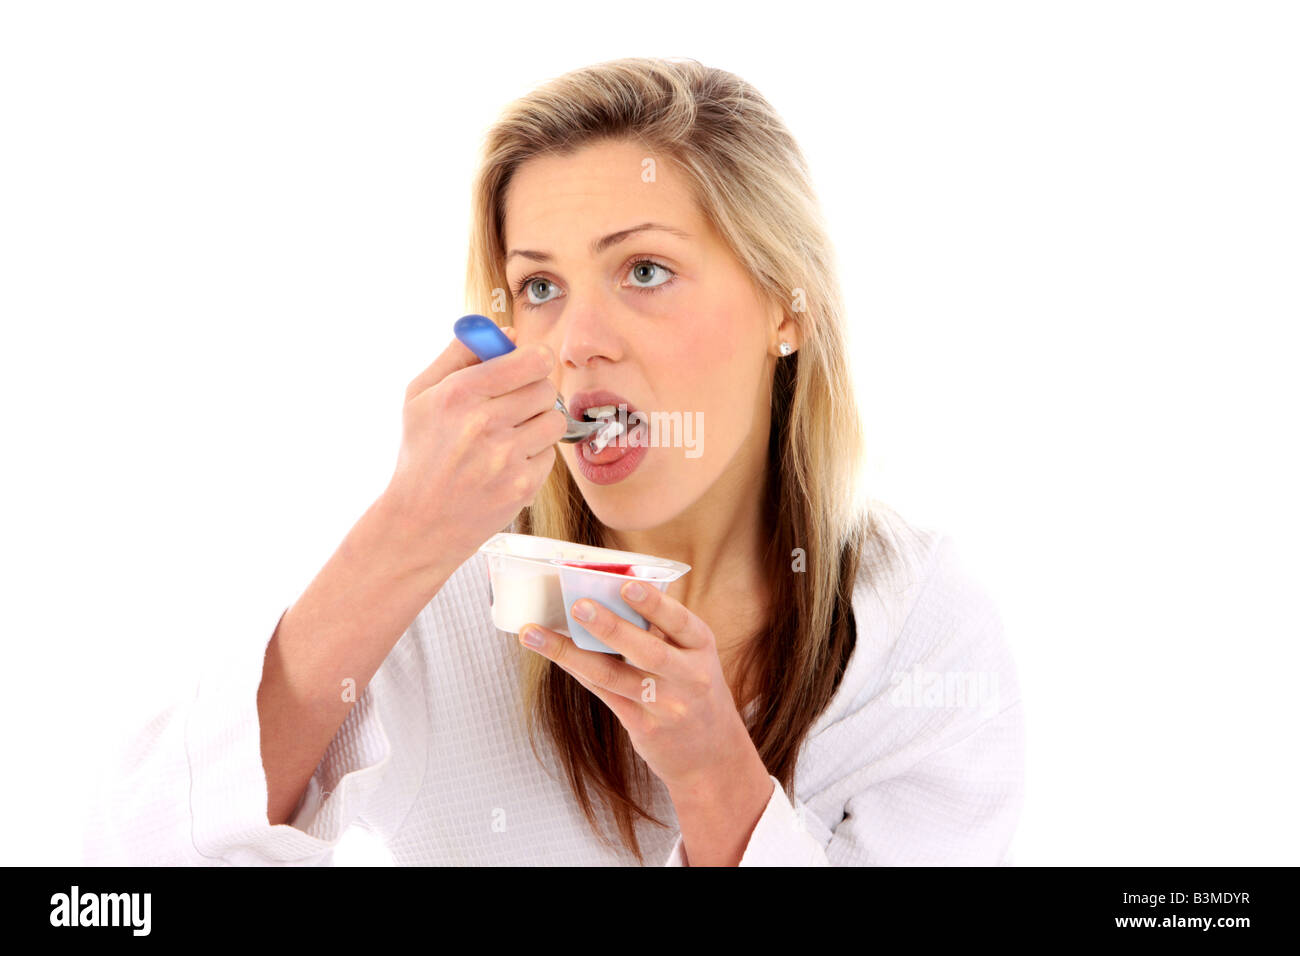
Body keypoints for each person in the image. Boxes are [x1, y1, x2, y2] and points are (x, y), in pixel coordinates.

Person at [83, 56, 1025, 866]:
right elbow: (132, 876)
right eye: (540, 285)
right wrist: (403, 536)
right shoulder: (452, 585)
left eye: (644, 271)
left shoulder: (921, 621)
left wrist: (715, 778)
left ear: (787, 305)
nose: (576, 342)